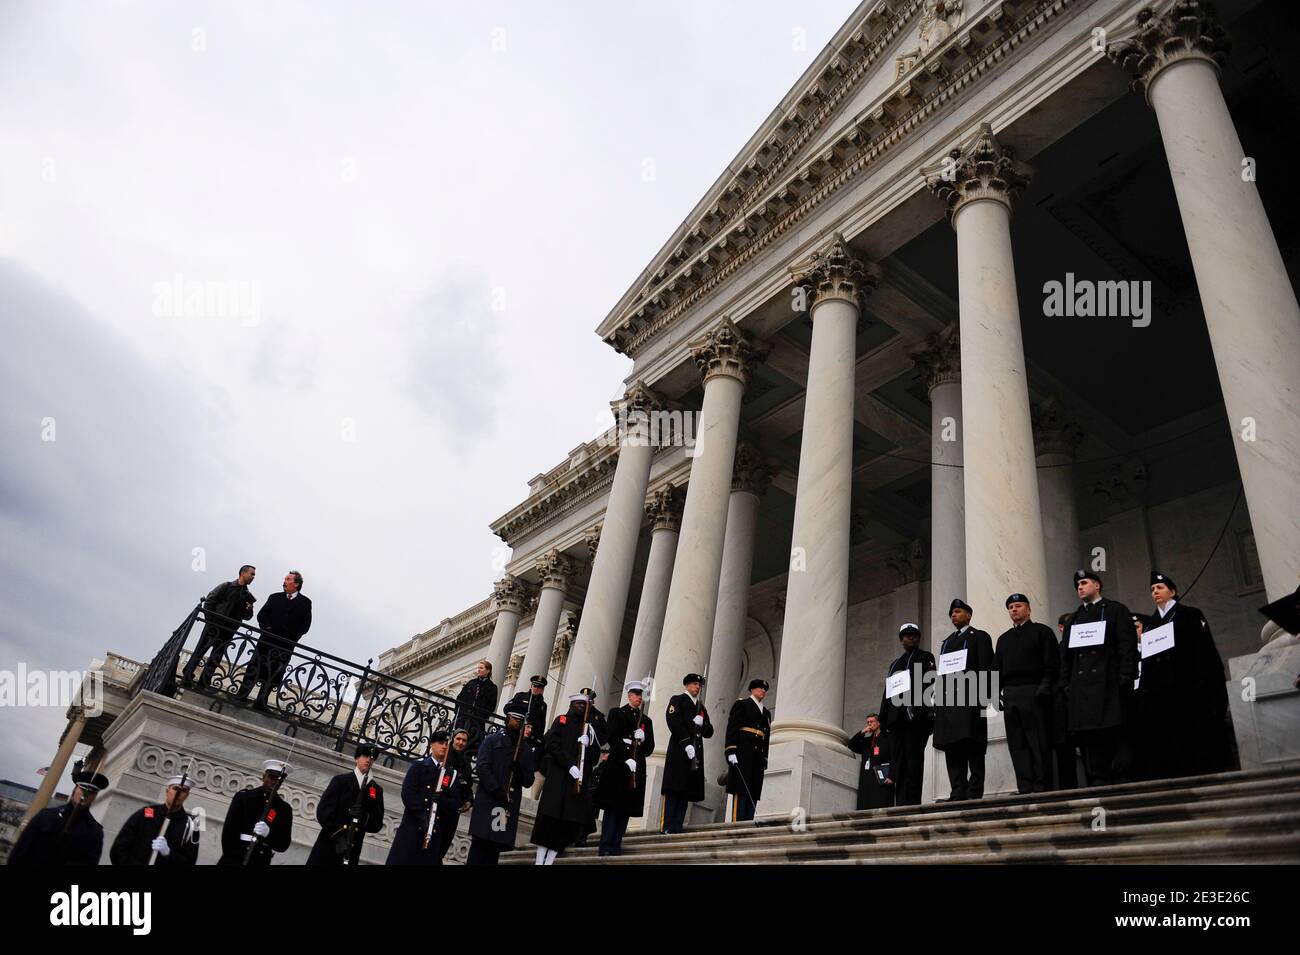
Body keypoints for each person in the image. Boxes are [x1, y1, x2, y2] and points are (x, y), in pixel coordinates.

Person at [1138, 571, 1230, 779]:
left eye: (1160, 588)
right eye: (1152, 590)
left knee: (1195, 732)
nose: (1155, 592)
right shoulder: (1151, 624)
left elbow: (1204, 652)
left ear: (1173, 591)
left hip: (1188, 686)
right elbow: (1148, 661)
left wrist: (1207, 684)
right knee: (1171, 737)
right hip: (1162, 691)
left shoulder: (1189, 614)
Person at [1060, 569, 1139, 786]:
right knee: (1090, 736)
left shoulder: (1115, 610)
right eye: (1078, 585)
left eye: (1084, 583)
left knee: (1116, 731)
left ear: (1097, 585)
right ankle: (1097, 777)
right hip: (1082, 688)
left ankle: (1121, 774)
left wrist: (1126, 675)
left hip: (1109, 683)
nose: (1080, 587)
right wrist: (1066, 684)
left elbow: (1126, 645)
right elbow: (1066, 656)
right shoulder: (1074, 619)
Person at [933, 598, 996, 801]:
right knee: (952, 747)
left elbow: (986, 666)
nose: (954, 615)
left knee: (973, 745)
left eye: (958, 611)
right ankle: (957, 790)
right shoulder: (947, 643)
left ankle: (975, 790)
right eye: (952, 612)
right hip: (949, 703)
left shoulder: (978, 637)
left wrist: (987, 695)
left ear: (968, 615)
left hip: (970, 699)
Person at [995, 594, 1058, 794]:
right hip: (1011, 693)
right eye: (1011, 607)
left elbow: (1052, 662)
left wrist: (1045, 686)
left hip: (1034, 691)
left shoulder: (1042, 632)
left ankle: (1042, 784)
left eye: (1018, 605)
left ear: (1029, 609)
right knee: (1017, 742)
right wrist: (996, 694)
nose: (1014, 609)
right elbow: (996, 669)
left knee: (1038, 741)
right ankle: (1025, 785)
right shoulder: (1003, 639)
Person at [533, 690, 602, 864]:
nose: (581, 707)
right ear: (572, 705)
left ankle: (551, 858)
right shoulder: (562, 721)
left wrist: (590, 745)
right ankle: (540, 858)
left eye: (584, 705)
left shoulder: (589, 729)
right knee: (549, 819)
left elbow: (593, 758)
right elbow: (552, 745)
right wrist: (569, 764)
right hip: (558, 778)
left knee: (565, 822)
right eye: (578, 704)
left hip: (574, 784)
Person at [467, 700, 536, 865]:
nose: (518, 722)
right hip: (491, 800)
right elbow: (482, 767)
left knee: (495, 848)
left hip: (506, 807)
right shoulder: (492, 740)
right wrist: (496, 789)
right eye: (514, 718)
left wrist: (519, 770)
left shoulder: (525, 749)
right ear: (507, 719)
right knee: (480, 845)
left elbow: (528, 780)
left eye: (521, 720)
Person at [594, 680, 655, 856]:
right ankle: (605, 845)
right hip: (618, 766)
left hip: (636, 767)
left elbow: (650, 748)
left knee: (625, 808)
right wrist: (625, 758)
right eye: (636, 695)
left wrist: (642, 740)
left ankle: (616, 845)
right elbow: (611, 738)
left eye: (641, 695)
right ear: (629, 696)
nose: (639, 698)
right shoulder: (617, 713)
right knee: (613, 807)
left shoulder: (646, 721)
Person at [386, 731, 466, 865]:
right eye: (440, 743)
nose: (444, 746)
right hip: (413, 828)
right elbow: (408, 793)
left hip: (433, 834)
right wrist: (422, 815)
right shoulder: (419, 766)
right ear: (431, 745)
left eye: (447, 744)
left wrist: (442, 801)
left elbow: (455, 802)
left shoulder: (450, 775)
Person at [235, 570, 312, 709]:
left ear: (296, 584)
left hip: (285, 646)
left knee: (275, 673)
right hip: (266, 641)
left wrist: (293, 636)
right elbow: (262, 615)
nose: (284, 581)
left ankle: (261, 702)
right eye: (285, 579)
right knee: (254, 668)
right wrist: (267, 627)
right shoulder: (274, 597)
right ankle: (242, 695)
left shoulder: (305, 603)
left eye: (288, 579)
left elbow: (305, 625)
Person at [879, 623, 936, 806]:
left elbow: (929, 684)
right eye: (906, 636)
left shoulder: (925, 657)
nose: (910, 638)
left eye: (913, 635)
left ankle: (912, 800)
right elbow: (888, 691)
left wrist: (924, 712)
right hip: (896, 720)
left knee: (913, 760)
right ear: (901, 640)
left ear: (918, 638)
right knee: (898, 761)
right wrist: (883, 717)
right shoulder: (895, 663)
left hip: (915, 719)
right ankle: (901, 801)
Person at [8, 767, 108, 866]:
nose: (85, 795)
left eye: (91, 792)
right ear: (75, 790)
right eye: (82, 789)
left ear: (94, 797)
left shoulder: (94, 831)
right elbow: (20, 852)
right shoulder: (45, 816)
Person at [306, 743, 385, 865]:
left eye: (372, 757)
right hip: (329, 845)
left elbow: (377, 824)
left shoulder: (376, 790)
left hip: (352, 849)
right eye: (365, 756)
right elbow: (323, 813)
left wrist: (363, 817)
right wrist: (338, 836)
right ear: (357, 758)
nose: (369, 760)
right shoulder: (340, 781)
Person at [182, 565, 257, 688]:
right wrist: (210, 620)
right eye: (251, 574)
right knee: (200, 651)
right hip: (214, 625)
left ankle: (204, 682)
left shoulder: (248, 595)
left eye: (254, 575)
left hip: (228, 630)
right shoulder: (226, 586)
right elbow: (210, 600)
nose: (253, 577)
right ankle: (187, 676)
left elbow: (247, 617)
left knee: (216, 657)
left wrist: (249, 609)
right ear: (243, 573)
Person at [660, 673, 713, 833]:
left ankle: (677, 825)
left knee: (685, 791)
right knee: (673, 789)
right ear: (687, 685)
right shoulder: (678, 700)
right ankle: (667, 826)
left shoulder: (701, 707)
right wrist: (686, 743)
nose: (698, 687)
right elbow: (673, 722)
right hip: (679, 750)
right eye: (695, 684)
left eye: (699, 685)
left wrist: (702, 724)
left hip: (694, 753)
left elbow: (709, 731)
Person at [110, 773, 200, 866]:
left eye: (183, 790)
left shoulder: (190, 826)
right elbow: (119, 848)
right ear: (167, 790)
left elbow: (190, 861)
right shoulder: (145, 814)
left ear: (187, 795)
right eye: (175, 788)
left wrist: (169, 853)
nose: (178, 793)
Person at [219, 760, 294, 865]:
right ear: (264, 776)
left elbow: (283, 844)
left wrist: (269, 834)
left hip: (261, 860)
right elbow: (229, 834)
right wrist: (232, 858)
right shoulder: (244, 798)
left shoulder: (284, 809)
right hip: (236, 857)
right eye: (272, 777)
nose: (275, 782)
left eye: (279, 779)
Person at [724, 678, 771, 822]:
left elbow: (766, 737)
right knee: (741, 789)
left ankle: (748, 822)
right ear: (752, 689)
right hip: (743, 753)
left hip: (757, 756)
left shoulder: (766, 712)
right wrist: (731, 750)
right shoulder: (742, 704)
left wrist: (765, 757)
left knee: (753, 789)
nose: (763, 690)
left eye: (765, 689)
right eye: (760, 688)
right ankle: (737, 823)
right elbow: (732, 728)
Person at [847, 714, 894, 809]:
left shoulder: (888, 739)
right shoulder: (866, 741)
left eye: (871, 722)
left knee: (881, 804)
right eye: (868, 722)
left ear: (878, 723)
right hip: (867, 778)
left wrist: (892, 776)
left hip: (882, 777)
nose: (869, 724)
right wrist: (861, 732)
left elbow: (894, 758)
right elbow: (851, 745)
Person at [454, 660, 499, 747]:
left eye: (481, 668)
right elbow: (460, 698)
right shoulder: (471, 683)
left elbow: (491, 706)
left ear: (488, 670)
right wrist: (457, 713)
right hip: (462, 719)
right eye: (478, 668)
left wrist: (482, 716)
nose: (478, 670)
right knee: (457, 741)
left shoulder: (492, 688)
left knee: (471, 744)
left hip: (477, 722)